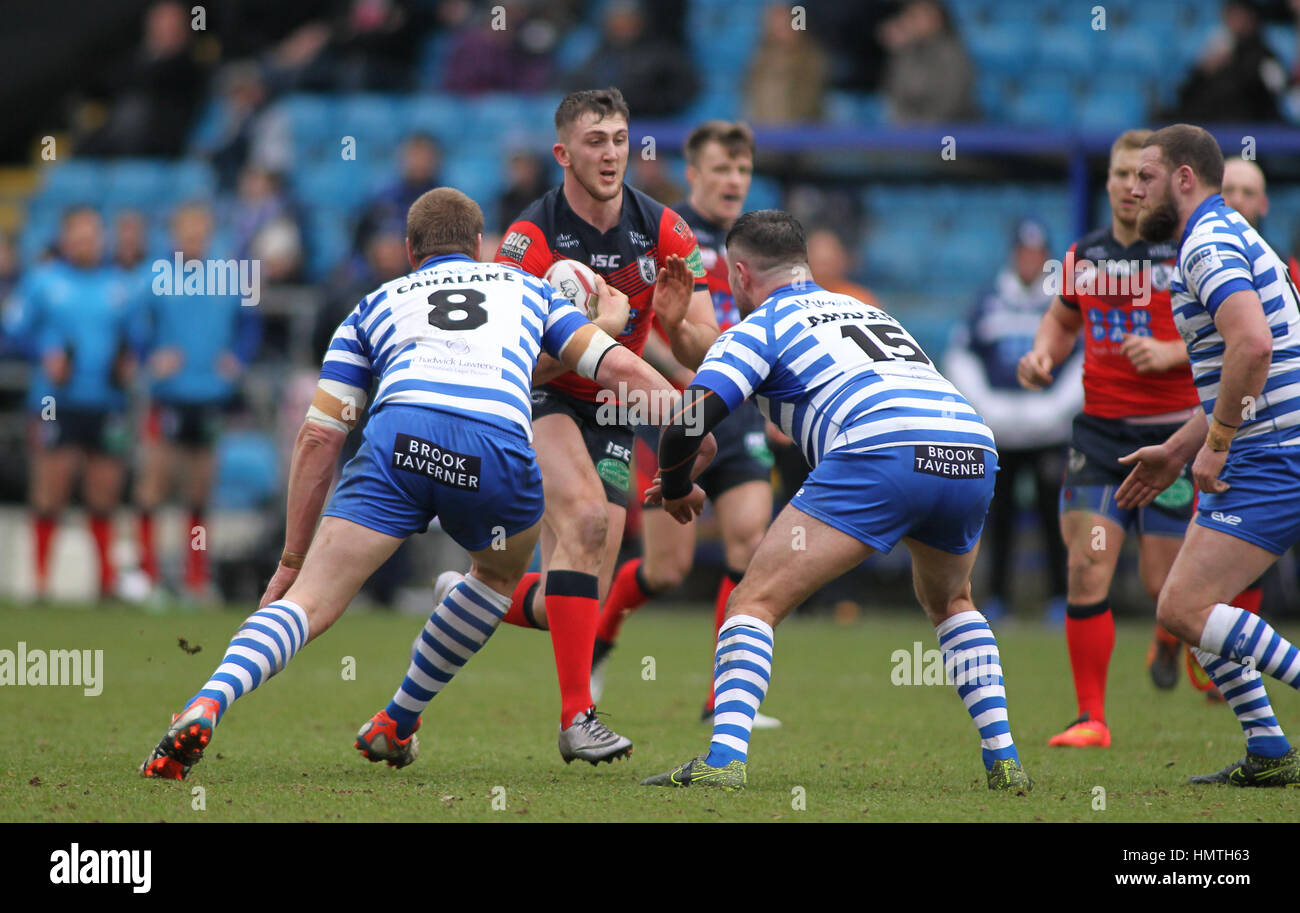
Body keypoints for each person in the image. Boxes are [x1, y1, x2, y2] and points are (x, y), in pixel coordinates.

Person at [139, 187, 696, 779]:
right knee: (495, 580)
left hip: (400, 439)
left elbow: (319, 438)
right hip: (494, 447)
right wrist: (691, 433)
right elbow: (620, 367)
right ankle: (401, 715)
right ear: (479, 246)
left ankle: (208, 701)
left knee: (307, 602)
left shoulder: (372, 305)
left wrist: (292, 559)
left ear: (410, 250)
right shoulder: (525, 289)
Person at [640, 210, 1030, 792]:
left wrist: (675, 489)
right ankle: (1005, 759)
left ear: (740, 275)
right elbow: (736, 364)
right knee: (952, 600)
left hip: (882, 450)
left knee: (752, 602)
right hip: (968, 447)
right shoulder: (865, 309)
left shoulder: (762, 326)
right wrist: (677, 331)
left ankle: (723, 762)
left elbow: (685, 425)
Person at [484, 87, 719, 763]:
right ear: (563, 154)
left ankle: (479, 598)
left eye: (619, 139)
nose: (611, 154)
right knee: (587, 522)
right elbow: (508, 366)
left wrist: (675, 323)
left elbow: (706, 344)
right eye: (595, 141)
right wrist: (595, 338)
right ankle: (576, 718)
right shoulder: (527, 241)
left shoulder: (668, 232)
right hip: (543, 397)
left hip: (615, 409)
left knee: (581, 579)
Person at [1016, 129, 1232, 749]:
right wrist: (1042, 355)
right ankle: (1092, 718)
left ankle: (1167, 638)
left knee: (1165, 586)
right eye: (1119, 175)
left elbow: (1235, 335)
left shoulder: (1188, 252)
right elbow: (1062, 320)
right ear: (1107, 181)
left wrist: (1170, 352)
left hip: (1173, 439)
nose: (1130, 187)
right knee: (1087, 567)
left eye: (1142, 176)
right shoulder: (1084, 255)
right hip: (1100, 437)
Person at [1117, 124, 1300, 786]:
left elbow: (1253, 346)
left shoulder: (1207, 242)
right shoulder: (1223, 233)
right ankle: (1268, 750)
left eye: (1146, 176)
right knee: (1192, 604)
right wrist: (1177, 449)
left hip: (1274, 450)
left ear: (1185, 178)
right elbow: (1238, 365)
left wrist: (1218, 444)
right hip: (1274, 441)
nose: (1134, 191)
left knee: (1183, 609)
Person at [591, 121, 780, 728]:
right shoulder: (663, 234)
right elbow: (635, 331)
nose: (734, 180)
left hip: (740, 412)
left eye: (743, 170)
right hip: (671, 410)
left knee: (750, 542)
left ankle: (724, 699)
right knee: (666, 570)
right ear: (694, 173)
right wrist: (687, 369)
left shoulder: (760, 243)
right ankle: (599, 642)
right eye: (722, 169)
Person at [945, 219, 1078, 621]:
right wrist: (986, 407)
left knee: (1054, 517)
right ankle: (997, 597)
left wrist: (1054, 408)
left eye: (1036, 253)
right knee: (996, 515)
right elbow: (961, 356)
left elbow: (1084, 360)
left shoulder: (1062, 303)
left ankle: (1060, 597)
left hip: (1050, 432)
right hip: (997, 433)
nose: (1029, 260)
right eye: (1023, 252)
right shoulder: (988, 302)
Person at [5, 207, 138, 599]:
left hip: (108, 400)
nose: (85, 241)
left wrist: (129, 361)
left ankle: (106, 585)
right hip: (53, 400)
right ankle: (41, 584)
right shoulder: (42, 281)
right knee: (51, 485)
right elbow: (12, 332)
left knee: (105, 491)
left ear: (102, 237)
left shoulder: (120, 285)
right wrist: (44, 354)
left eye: (91, 233)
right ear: (65, 238)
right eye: (78, 234)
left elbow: (138, 338)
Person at [134, 203, 260, 599]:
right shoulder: (154, 276)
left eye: (198, 230)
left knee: (200, 492)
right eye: (185, 230)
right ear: (173, 234)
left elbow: (251, 325)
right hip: (168, 396)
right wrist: (150, 357)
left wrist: (237, 358)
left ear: (208, 232)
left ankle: (195, 579)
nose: (192, 237)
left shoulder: (229, 276)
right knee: (154, 486)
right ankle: (147, 578)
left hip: (209, 395)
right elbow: (135, 328)